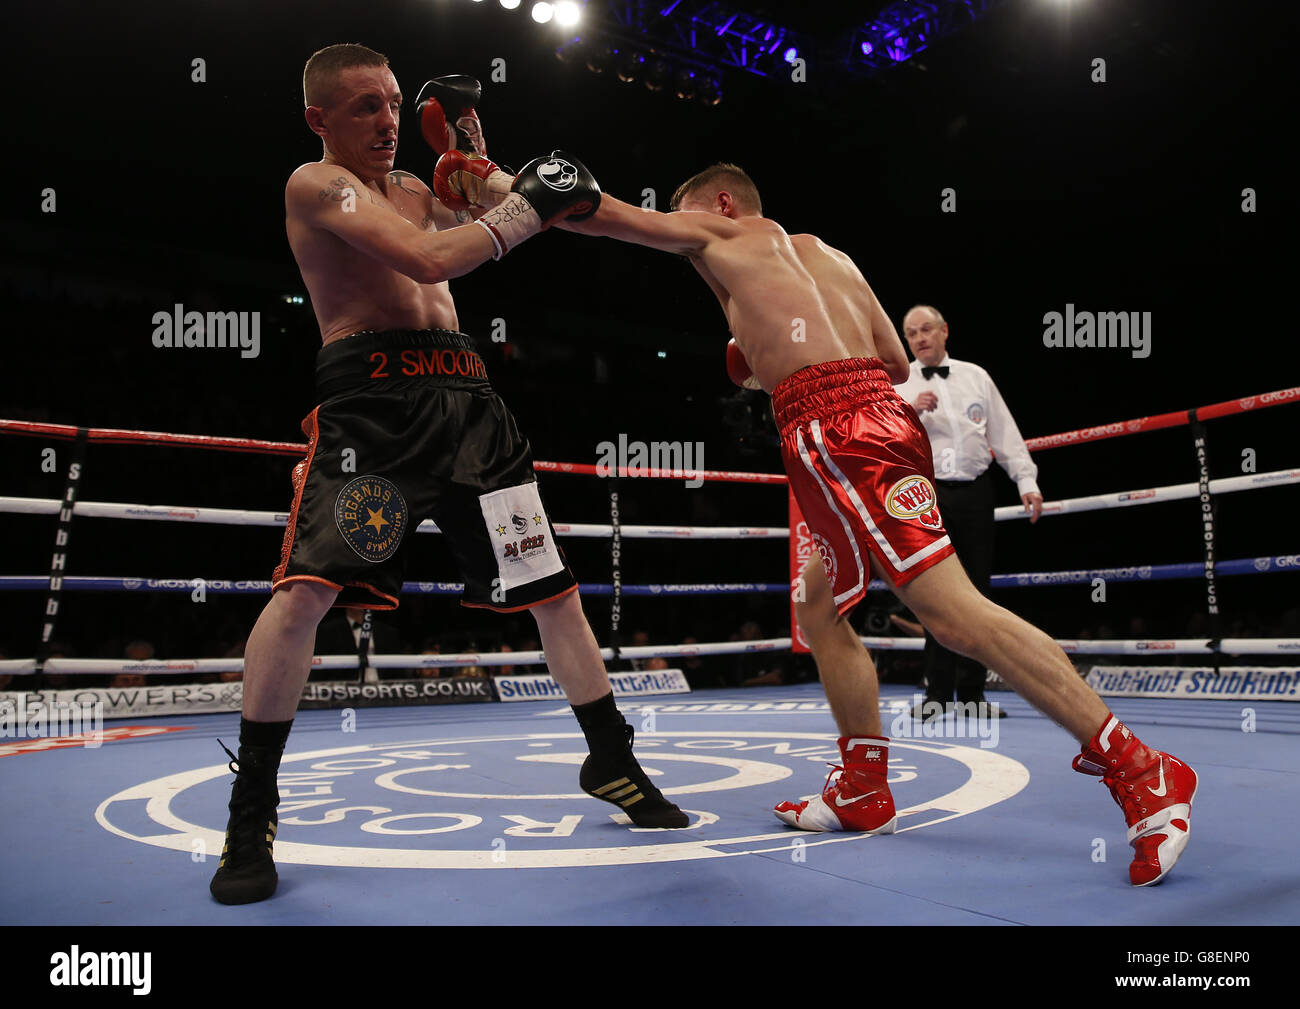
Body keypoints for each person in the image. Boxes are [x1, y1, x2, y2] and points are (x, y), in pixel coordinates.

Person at [556, 163, 1196, 886]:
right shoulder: (833, 255)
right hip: (872, 416)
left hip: (836, 428)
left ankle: (1145, 769)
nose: (695, 249)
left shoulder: (724, 229)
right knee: (817, 604)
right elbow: (893, 361)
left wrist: (495, 189)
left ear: (724, 203)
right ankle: (863, 785)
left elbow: (600, 211)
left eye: (695, 223)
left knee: (953, 614)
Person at [209, 44, 686, 907]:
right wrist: (517, 207)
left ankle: (611, 759)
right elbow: (431, 262)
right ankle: (253, 808)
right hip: (375, 411)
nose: (387, 120)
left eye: (393, 103)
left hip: (469, 403)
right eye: (363, 107)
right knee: (306, 591)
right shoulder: (314, 187)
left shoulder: (422, 192)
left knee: (553, 589)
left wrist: (492, 167)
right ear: (319, 119)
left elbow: (545, 209)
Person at [894, 305, 1044, 719]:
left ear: (944, 331)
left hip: (977, 493)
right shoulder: (899, 383)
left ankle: (973, 696)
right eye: (911, 333)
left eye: (926, 329)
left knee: (977, 594)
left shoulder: (976, 375)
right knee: (935, 596)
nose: (920, 338)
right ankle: (937, 696)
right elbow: (883, 446)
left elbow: (1004, 432)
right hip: (925, 495)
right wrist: (908, 412)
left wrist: (1026, 480)